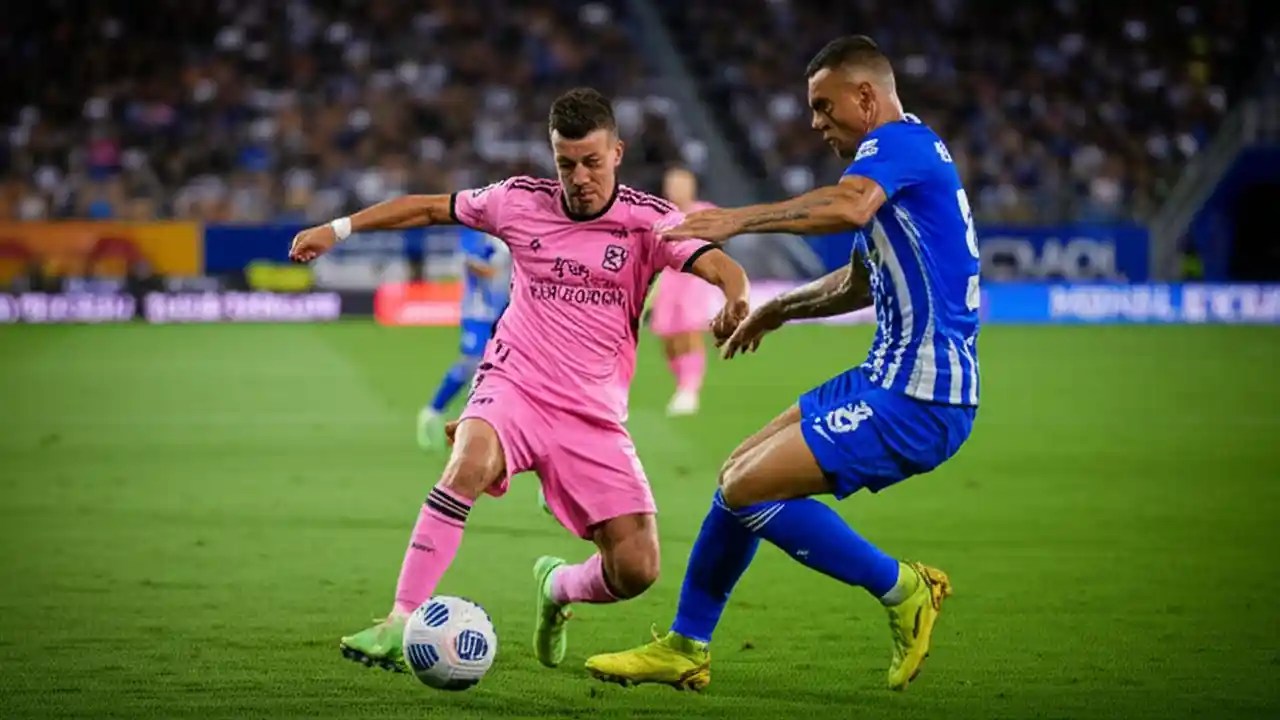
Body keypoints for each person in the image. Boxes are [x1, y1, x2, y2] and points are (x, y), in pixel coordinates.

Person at [288, 87, 751, 673]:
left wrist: (736, 296)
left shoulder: (648, 221)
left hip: (593, 414)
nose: (579, 177)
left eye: (592, 161)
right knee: (468, 462)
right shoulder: (516, 201)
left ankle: (556, 587)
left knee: (637, 569)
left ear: (618, 153)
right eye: (566, 163)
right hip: (516, 385)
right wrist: (340, 228)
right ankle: (400, 617)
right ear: (552, 156)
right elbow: (430, 206)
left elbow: (719, 263)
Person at [584, 35, 980, 692]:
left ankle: (905, 589)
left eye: (825, 107)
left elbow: (848, 206)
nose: (816, 123)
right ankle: (687, 645)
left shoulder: (896, 148)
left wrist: (736, 221)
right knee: (736, 476)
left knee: (748, 490)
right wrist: (779, 309)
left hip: (922, 397)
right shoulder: (898, 169)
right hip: (887, 377)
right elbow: (858, 281)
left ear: (866, 96)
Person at [416, 229, 509, 450]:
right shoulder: (475, 234)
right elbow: (472, 263)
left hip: (505, 310)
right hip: (478, 312)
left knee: (503, 368)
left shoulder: (513, 229)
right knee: (471, 363)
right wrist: (492, 268)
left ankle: (486, 424)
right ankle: (433, 411)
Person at [649, 167, 720, 416]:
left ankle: (690, 389)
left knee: (689, 332)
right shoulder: (659, 214)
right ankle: (681, 384)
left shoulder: (704, 212)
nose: (676, 189)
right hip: (668, 280)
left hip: (693, 279)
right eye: (672, 184)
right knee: (668, 338)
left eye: (681, 184)